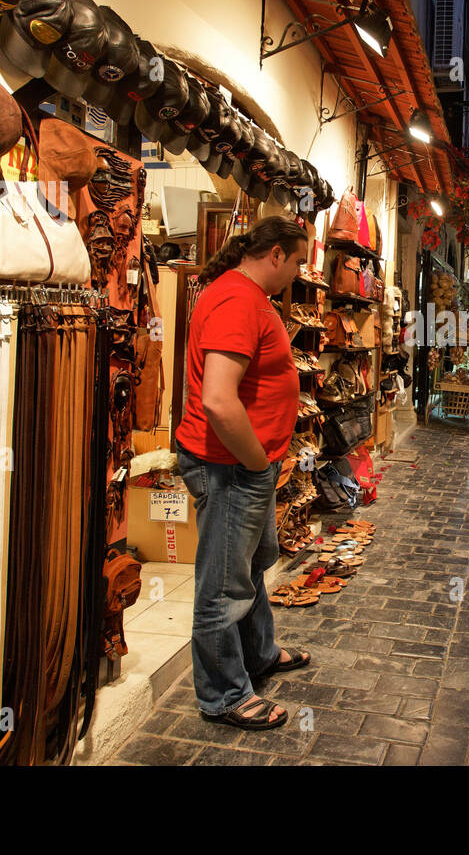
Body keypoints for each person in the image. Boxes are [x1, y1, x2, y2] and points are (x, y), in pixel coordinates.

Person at [173, 216, 312, 731]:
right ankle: (224, 695)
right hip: (231, 466)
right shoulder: (237, 301)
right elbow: (217, 400)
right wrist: (256, 462)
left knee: (254, 565)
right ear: (275, 254)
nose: (299, 271)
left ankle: (258, 654)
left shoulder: (246, 297)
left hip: (247, 466)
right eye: (298, 260)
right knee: (223, 586)